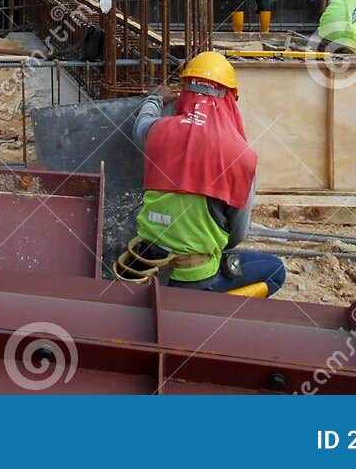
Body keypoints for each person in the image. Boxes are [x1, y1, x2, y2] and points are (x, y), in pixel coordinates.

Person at [113, 52, 286, 296]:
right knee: (275, 271)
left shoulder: (157, 132)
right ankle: (208, 310)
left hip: (146, 266)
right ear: (229, 99)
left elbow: (141, 123)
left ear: (185, 92)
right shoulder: (242, 157)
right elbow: (237, 235)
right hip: (194, 277)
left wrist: (155, 99)